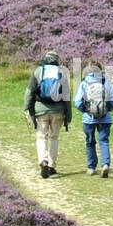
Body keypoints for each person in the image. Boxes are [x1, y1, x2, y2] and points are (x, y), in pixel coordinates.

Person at [24, 49, 71, 178]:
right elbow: (66, 96)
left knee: (41, 137)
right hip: (58, 111)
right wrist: (69, 115)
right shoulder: (62, 72)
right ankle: (51, 166)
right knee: (54, 138)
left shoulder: (38, 71)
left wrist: (26, 108)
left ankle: (43, 161)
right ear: (57, 60)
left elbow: (29, 92)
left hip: (41, 111)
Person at [74, 61, 113, 177]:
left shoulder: (84, 83)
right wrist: (107, 109)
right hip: (105, 118)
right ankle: (105, 165)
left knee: (90, 142)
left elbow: (78, 102)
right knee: (104, 141)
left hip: (89, 119)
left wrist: (86, 111)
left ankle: (91, 167)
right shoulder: (107, 83)